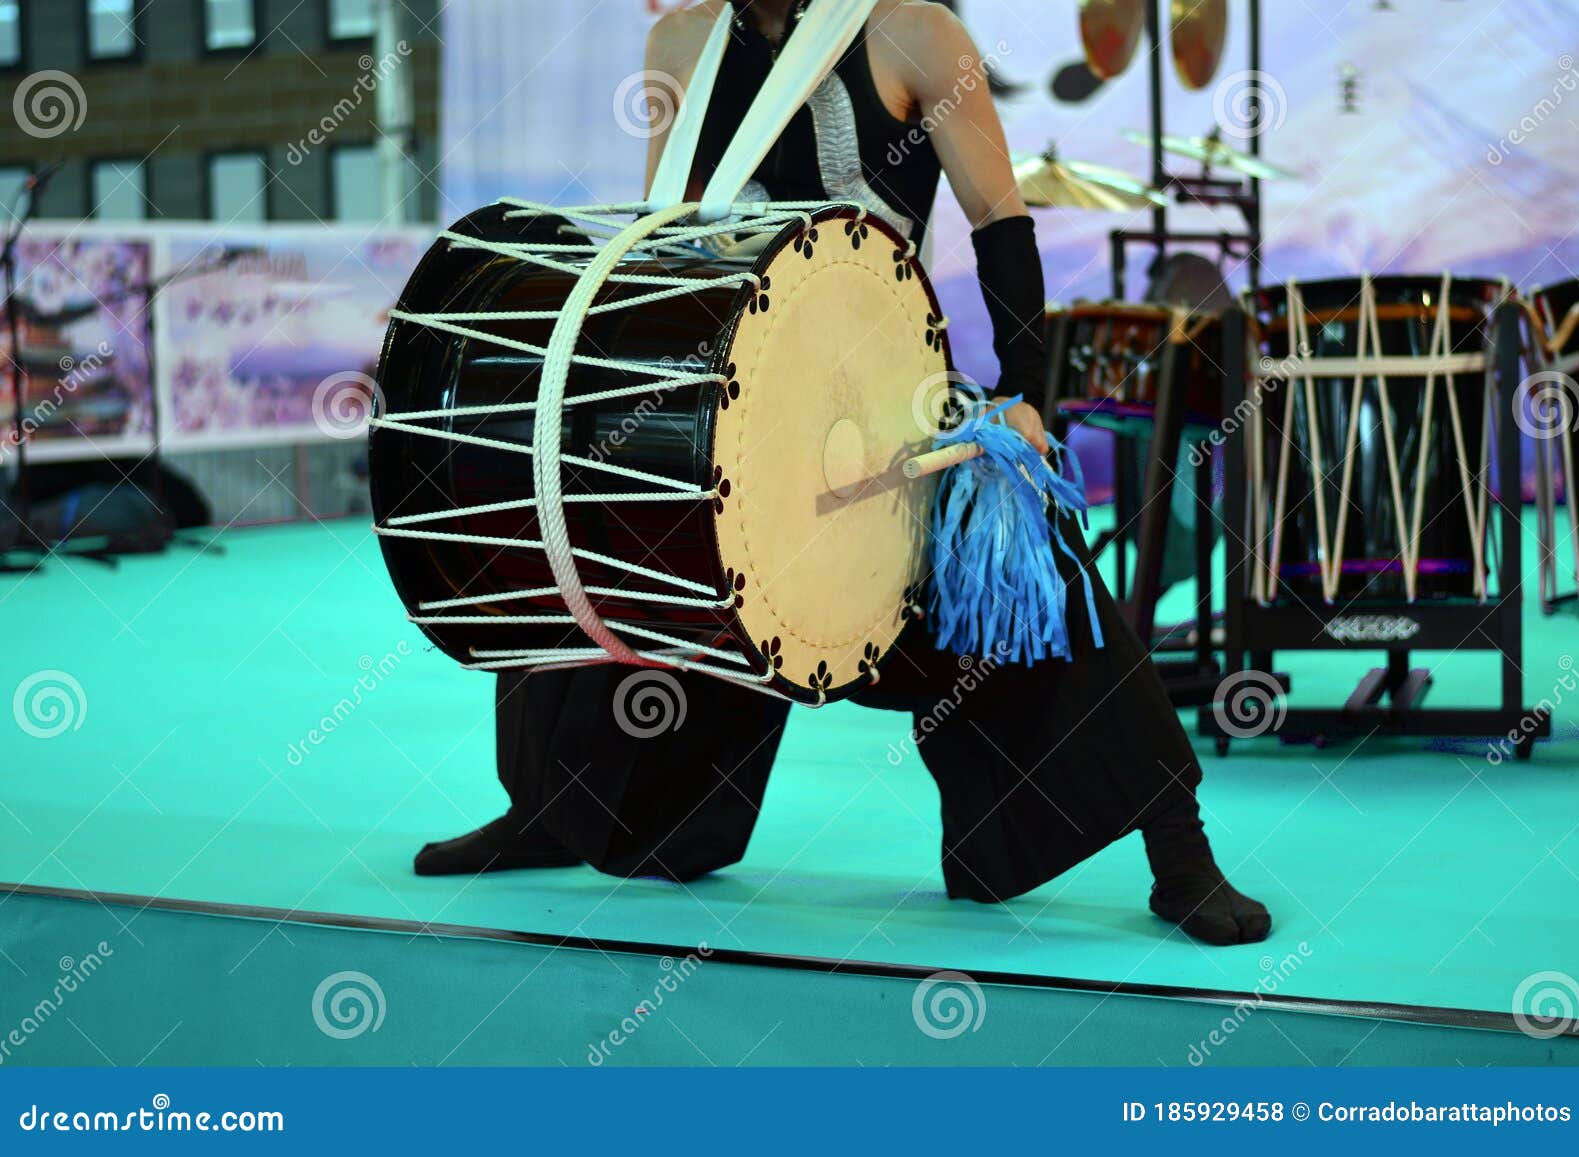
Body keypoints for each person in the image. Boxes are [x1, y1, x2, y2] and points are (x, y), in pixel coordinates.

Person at [414, 0, 1270, 947]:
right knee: (579, 506)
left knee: (1033, 555)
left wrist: (1026, 395)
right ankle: (547, 806)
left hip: (883, 398)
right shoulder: (679, 46)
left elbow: (998, 215)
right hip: (732, 409)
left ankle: (1178, 849)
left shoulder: (914, 33)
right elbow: (666, 245)